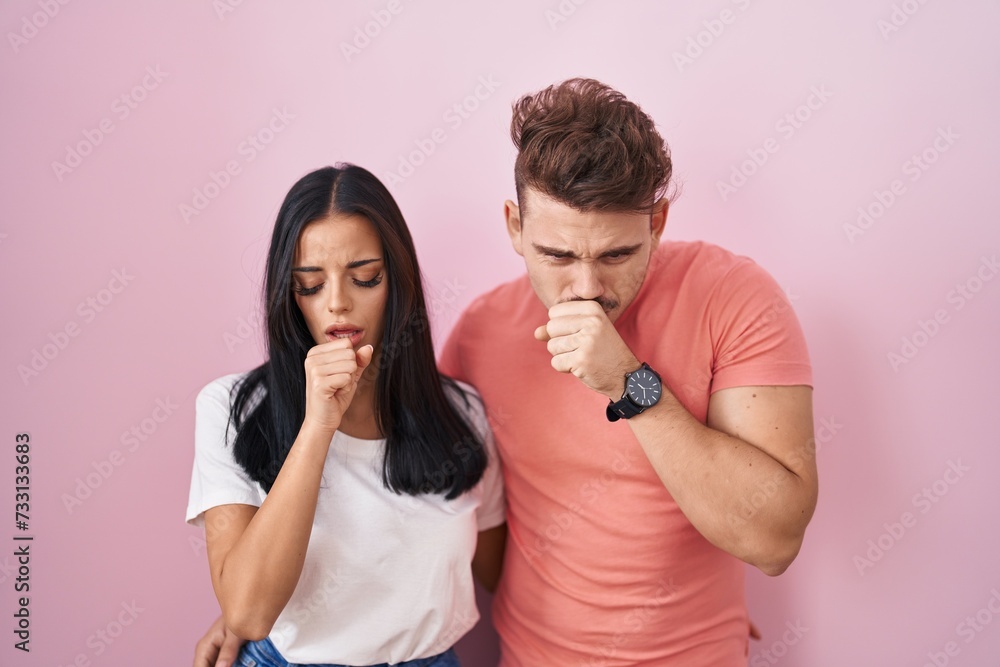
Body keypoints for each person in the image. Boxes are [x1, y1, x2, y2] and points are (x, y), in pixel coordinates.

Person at [196, 78, 817, 666]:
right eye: (557, 254)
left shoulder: (733, 297)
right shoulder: (481, 336)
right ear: (515, 228)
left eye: (617, 254)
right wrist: (254, 604)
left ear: (656, 223)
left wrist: (629, 383)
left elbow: (772, 540)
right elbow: (423, 506)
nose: (585, 288)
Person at [185, 164, 506, 667]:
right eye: (310, 286)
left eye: (365, 278)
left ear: (396, 281)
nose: (337, 303)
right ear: (287, 296)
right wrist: (318, 425)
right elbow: (247, 614)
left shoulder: (463, 416)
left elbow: (500, 572)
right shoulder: (230, 408)